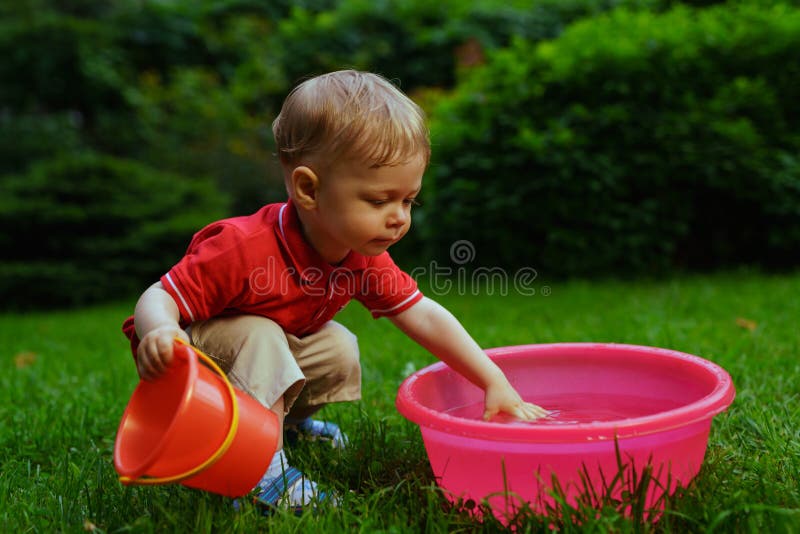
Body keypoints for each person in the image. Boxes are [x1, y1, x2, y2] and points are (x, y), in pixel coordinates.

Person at [121, 69, 548, 512]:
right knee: (260, 333)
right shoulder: (243, 249)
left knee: (338, 345)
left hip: (258, 361)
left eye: (408, 201)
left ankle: (287, 427)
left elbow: (422, 313)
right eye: (379, 201)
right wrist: (161, 332)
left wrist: (491, 380)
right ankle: (257, 472)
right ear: (309, 189)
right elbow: (160, 294)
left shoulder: (359, 254)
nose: (398, 217)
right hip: (193, 369)